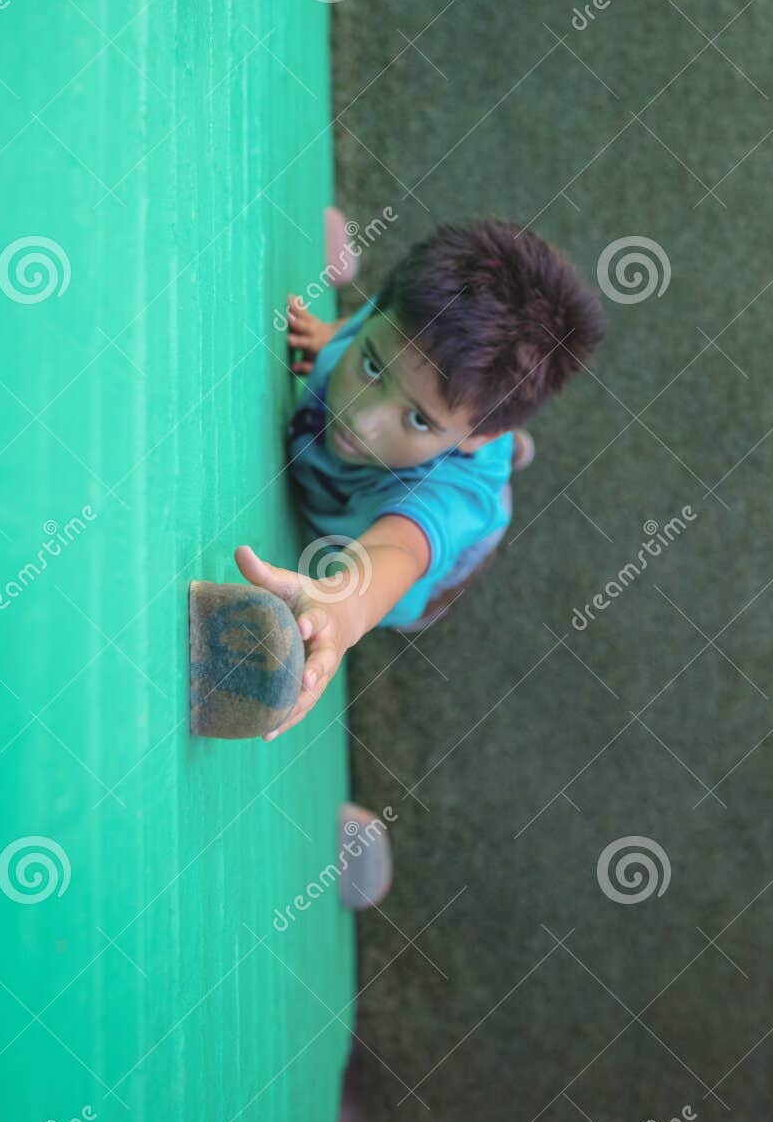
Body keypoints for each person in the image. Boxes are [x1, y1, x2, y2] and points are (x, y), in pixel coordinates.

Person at [234, 218, 605, 738]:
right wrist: (335, 337)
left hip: (454, 537)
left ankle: (502, 454)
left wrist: (342, 607)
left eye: (417, 419)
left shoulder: (442, 499)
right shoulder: (413, 330)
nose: (363, 420)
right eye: (371, 368)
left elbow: (399, 551)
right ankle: (494, 438)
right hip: (467, 429)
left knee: (430, 588)